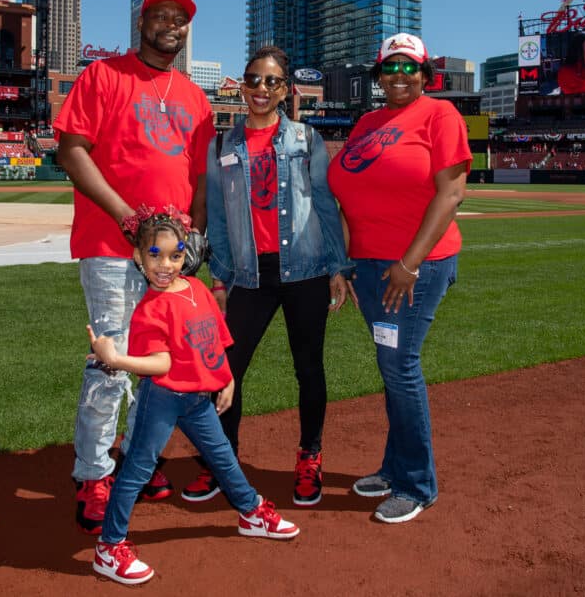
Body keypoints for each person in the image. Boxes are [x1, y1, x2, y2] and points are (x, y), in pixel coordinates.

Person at [55, 0, 215, 534]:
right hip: (110, 245)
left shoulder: (196, 97)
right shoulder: (104, 76)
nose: (172, 23)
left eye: (181, 17)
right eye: (162, 15)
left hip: (169, 257)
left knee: (159, 368)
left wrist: (195, 233)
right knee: (110, 360)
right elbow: (71, 151)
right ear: (143, 22)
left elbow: (197, 179)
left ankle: (135, 459)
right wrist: (128, 217)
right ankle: (94, 475)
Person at [87, 205, 299, 586]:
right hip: (163, 398)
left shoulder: (197, 289)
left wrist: (227, 378)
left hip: (198, 397)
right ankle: (109, 546)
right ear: (138, 256)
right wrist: (116, 358)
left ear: (187, 253)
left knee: (223, 457)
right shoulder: (150, 310)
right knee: (137, 468)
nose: (165, 264)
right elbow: (161, 364)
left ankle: (251, 512)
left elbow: (216, 337)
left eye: (175, 254)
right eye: (154, 254)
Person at [194, 45, 352, 507]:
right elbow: (219, 220)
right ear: (242, 85)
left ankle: (310, 456)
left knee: (309, 369)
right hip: (247, 273)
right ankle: (223, 462)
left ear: (285, 90)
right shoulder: (222, 145)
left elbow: (325, 204)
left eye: (271, 82)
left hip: (305, 269)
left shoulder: (306, 139)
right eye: (253, 79)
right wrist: (219, 277)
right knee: (227, 370)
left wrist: (338, 268)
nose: (260, 89)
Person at [327, 32, 471, 524]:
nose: (400, 75)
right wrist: (345, 263)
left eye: (410, 67)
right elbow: (347, 192)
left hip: (413, 268)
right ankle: (395, 467)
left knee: (400, 366)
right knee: (390, 366)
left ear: (426, 76)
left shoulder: (440, 115)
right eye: (391, 67)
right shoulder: (367, 121)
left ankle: (417, 484)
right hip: (368, 265)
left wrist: (409, 264)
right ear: (378, 75)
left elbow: (451, 195)